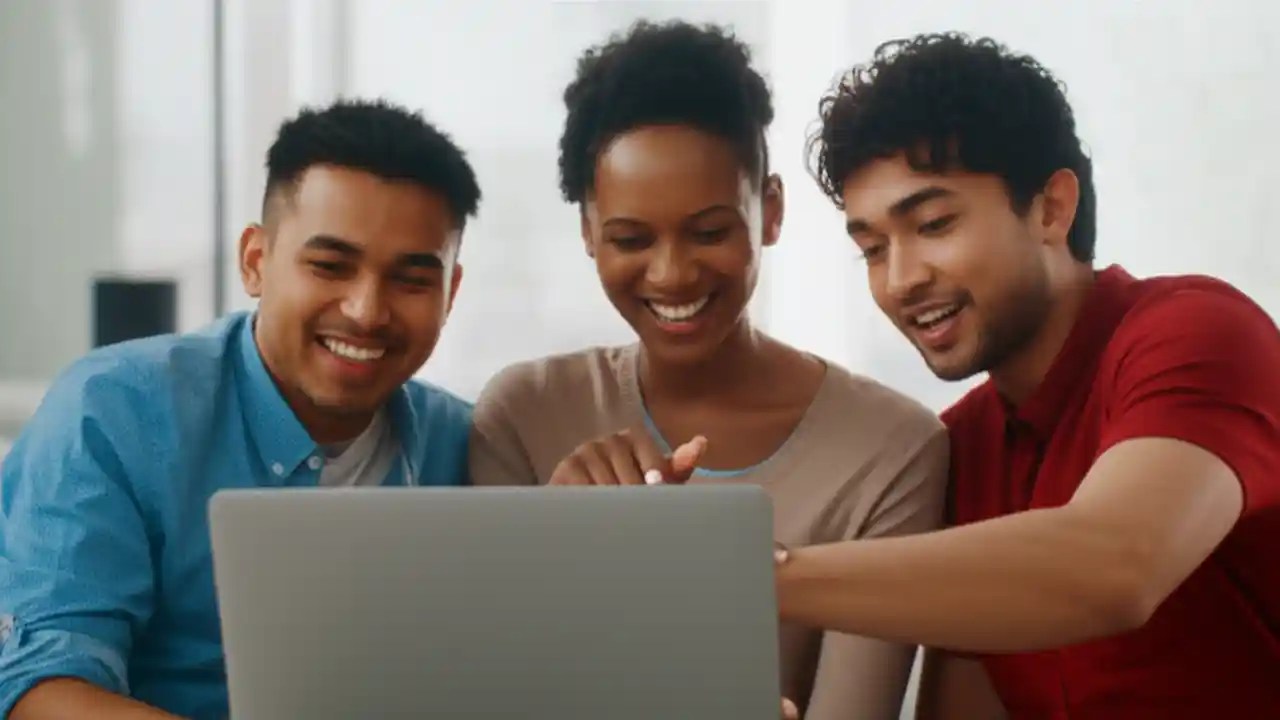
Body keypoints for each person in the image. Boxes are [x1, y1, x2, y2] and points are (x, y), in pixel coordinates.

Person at [770, 32, 1280, 718]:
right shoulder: (956, 448)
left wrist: (751, 574)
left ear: (1051, 208)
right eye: (871, 249)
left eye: (934, 223)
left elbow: (1113, 568)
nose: (901, 280)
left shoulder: (1198, 332)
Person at [468, 20, 948, 720]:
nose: (671, 273)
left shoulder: (892, 449)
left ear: (771, 212)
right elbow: (484, 688)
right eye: (630, 238)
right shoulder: (524, 414)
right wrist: (558, 554)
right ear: (586, 233)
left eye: (709, 232)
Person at [0, 99, 480, 719]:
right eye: (330, 266)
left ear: (451, 293)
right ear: (256, 261)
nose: (367, 310)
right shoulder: (114, 410)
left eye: (411, 280)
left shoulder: (465, 442)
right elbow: (40, 691)